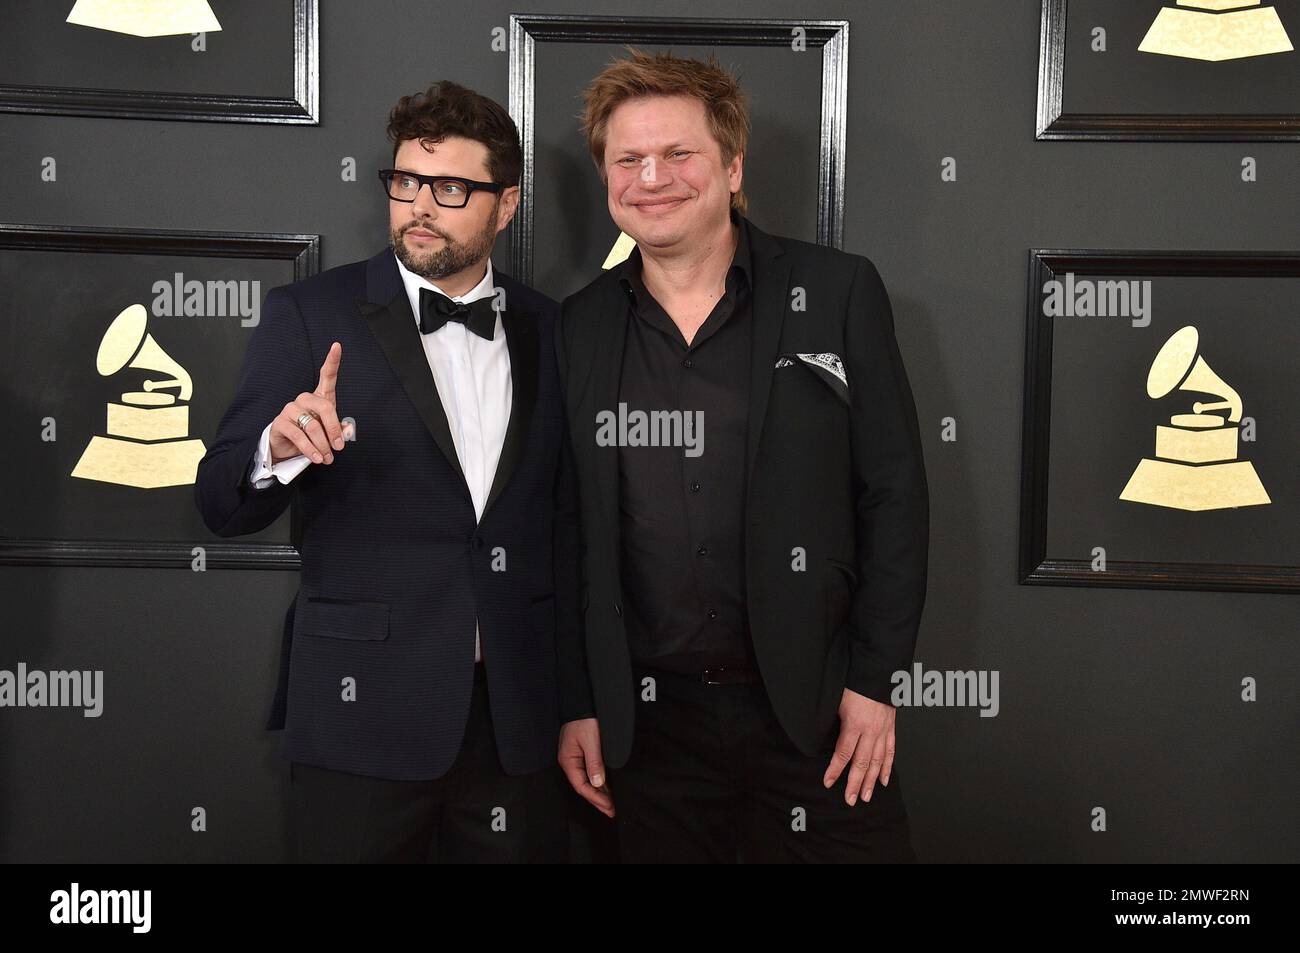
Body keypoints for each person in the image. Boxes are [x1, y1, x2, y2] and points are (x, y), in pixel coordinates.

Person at [554, 50, 930, 863]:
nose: (652, 177)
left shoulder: (836, 292)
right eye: (629, 159)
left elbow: (894, 495)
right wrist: (579, 701)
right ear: (607, 175)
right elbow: (567, 531)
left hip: (817, 717)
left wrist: (874, 682)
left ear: (732, 165)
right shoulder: (574, 328)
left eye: (679, 153)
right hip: (645, 732)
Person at [195, 81, 578, 863]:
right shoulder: (309, 314)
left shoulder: (553, 327)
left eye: (449, 188)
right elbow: (218, 501)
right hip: (361, 712)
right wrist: (278, 446)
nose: (418, 207)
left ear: (505, 206)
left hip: (517, 723)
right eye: (405, 183)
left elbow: (569, 523)